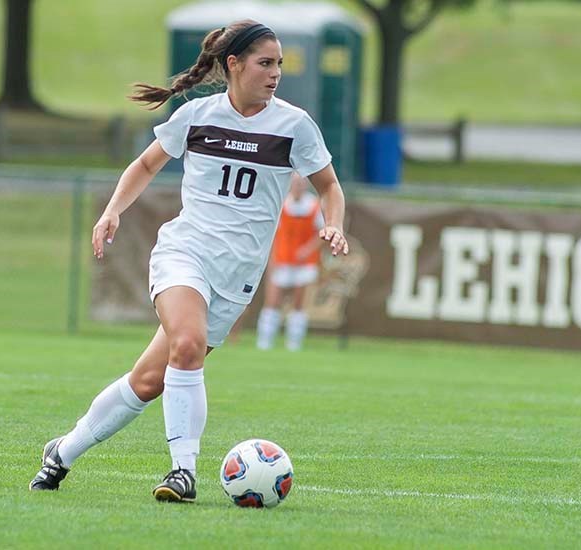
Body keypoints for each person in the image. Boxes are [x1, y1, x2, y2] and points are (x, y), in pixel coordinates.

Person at [29, 19, 349, 503]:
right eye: (265, 63)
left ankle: (63, 451)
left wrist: (334, 223)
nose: (275, 73)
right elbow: (145, 165)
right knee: (188, 343)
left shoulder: (294, 125)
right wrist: (113, 211)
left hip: (237, 276)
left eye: (279, 64)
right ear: (234, 65)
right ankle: (184, 471)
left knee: (149, 380)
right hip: (186, 253)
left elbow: (328, 185)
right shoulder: (197, 116)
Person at [256, 173, 324, 351]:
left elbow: (321, 233)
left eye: (301, 183)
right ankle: (264, 342)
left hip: (305, 262)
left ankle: (294, 343)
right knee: (272, 301)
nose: (298, 187)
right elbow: (273, 235)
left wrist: (308, 249)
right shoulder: (282, 203)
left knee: (299, 303)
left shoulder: (314, 206)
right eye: (295, 183)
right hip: (283, 259)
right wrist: (272, 259)